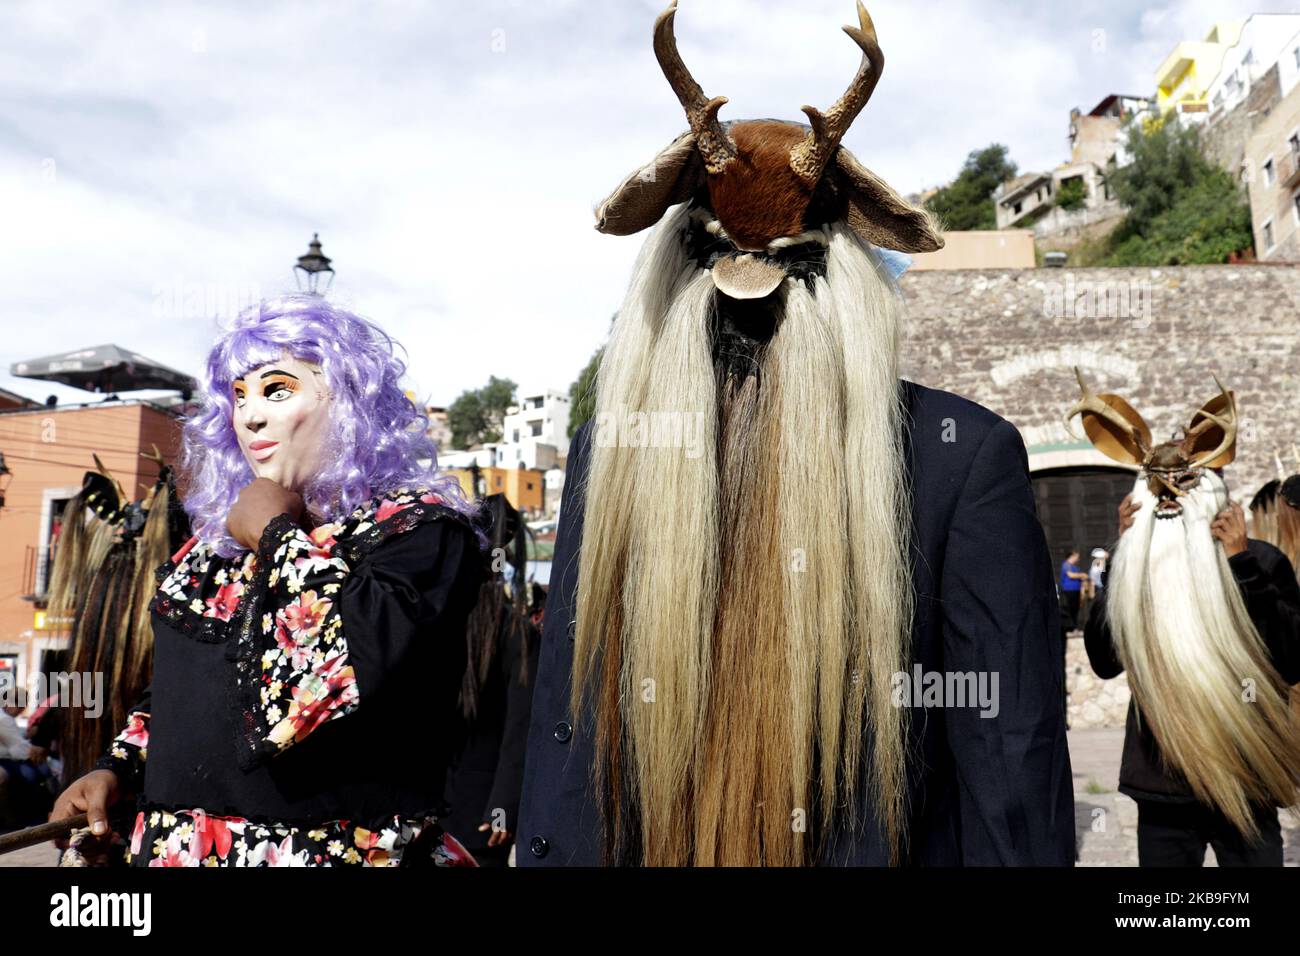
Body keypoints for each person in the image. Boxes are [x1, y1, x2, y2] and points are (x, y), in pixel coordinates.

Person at [518, 2, 1073, 867]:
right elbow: (569, 716)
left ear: (842, 269)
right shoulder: (612, 451)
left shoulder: (957, 461)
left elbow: (1009, 751)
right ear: (676, 267)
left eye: (795, 261)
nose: (754, 291)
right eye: (714, 252)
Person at [50, 294, 487, 867]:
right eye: (238, 396)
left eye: (277, 389)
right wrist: (117, 768)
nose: (250, 415)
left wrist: (276, 535)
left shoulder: (418, 531)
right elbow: (190, 690)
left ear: (349, 400)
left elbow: (352, 669)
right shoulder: (214, 549)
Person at [1069, 369, 1300, 866]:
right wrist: (1124, 557)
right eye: (1161, 484)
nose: (1172, 494)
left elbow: (1291, 658)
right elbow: (1105, 660)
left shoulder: (1259, 562)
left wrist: (1240, 564)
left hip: (1248, 777)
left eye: (1186, 481)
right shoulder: (1141, 569)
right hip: (1164, 788)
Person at [440, 495, 539, 867]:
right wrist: (502, 807)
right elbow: (521, 726)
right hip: (478, 809)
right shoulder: (516, 630)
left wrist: (503, 806)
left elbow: (519, 726)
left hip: (460, 808)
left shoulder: (439, 614)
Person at [1058, 549, 1087, 630]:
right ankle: (1069, 626)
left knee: (1075, 608)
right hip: (1068, 591)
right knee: (1069, 608)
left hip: (1076, 590)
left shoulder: (1075, 568)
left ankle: (1074, 626)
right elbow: (1071, 575)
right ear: (1072, 556)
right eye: (1077, 557)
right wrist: (1082, 575)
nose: (1078, 559)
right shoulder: (1066, 565)